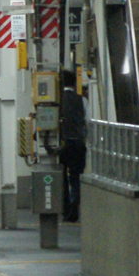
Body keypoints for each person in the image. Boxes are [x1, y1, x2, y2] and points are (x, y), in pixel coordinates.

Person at [58, 70, 87, 222]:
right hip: (78, 142)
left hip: (62, 145)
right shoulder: (81, 100)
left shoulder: (57, 100)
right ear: (74, 84)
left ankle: (65, 209)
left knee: (62, 177)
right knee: (75, 177)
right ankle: (75, 206)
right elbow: (87, 121)